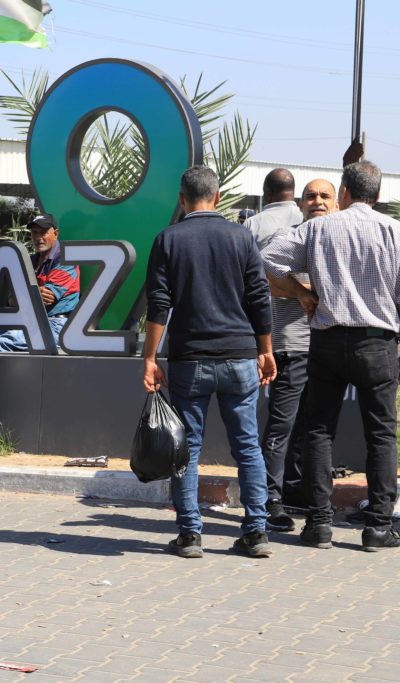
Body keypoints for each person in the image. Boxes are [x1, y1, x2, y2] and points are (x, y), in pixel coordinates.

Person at [263, 160, 400, 552]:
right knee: (381, 435)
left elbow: (269, 259)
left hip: (325, 339)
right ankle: (377, 526)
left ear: (343, 192)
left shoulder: (317, 228)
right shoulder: (394, 231)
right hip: (378, 342)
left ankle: (319, 523)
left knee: (320, 430)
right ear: (377, 195)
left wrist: (301, 293)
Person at [143, 165, 276, 559]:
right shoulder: (241, 236)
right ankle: (255, 532)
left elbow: (159, 305)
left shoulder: (168, 239)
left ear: (181, 200)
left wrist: (149, 357)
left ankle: (190, 535)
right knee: (248, 447)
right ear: (217, 197)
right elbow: (259, 297)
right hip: (239, 356)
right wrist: (265, 350)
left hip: (189, 360)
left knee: (188, 448)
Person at [244, 168, 306, 531]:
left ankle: (272, 495)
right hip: (304, 339)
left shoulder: (254, 227)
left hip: (267, 340)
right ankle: (276, 494)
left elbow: (249, 278)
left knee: (275, 425)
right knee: (296, 425)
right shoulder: (313, 223)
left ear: (267, 192)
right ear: (294, 193)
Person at [0, 215, 80, 352]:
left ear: (55, 234)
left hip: (58, 324)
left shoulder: (66, 259)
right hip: (30, 321)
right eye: (34, 232)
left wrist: (21, 293)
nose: (38, 237)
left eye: (44, 232)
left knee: (0, 344)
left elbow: (46, 298)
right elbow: (11, 298)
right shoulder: (30, 260)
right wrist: (28, 294)